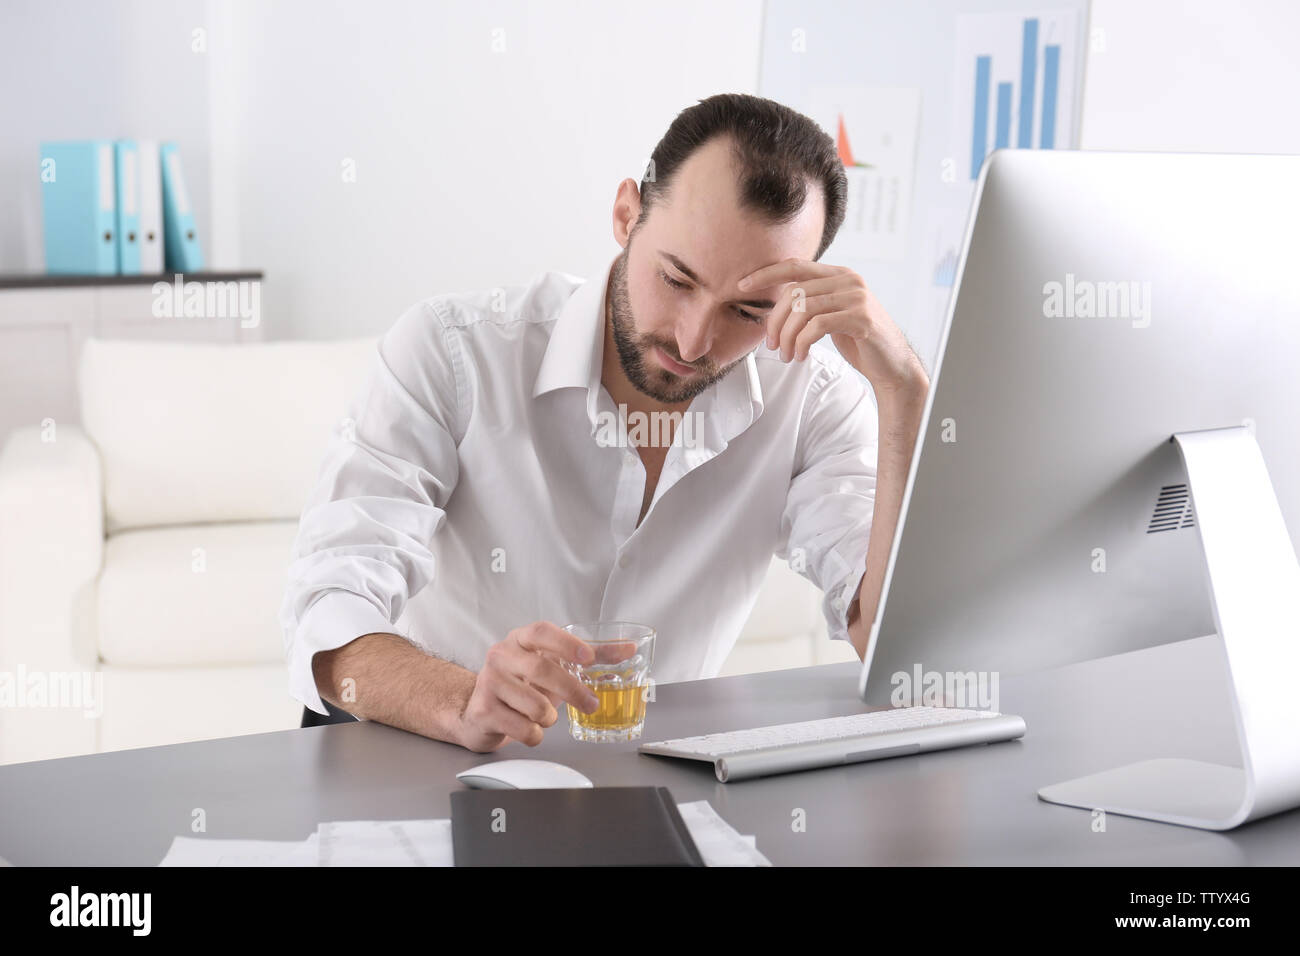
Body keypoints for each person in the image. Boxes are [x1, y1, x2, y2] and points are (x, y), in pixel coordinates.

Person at [279, 92, 930, 752]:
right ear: (627, 215)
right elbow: (328, 609)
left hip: (649, 780)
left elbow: (896, 650)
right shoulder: (453, 352)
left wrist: (903, 390)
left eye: (749, 311)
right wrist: (463, 700)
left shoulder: (814, 398)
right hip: (428, 759)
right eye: (677, 279)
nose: (693, 341)